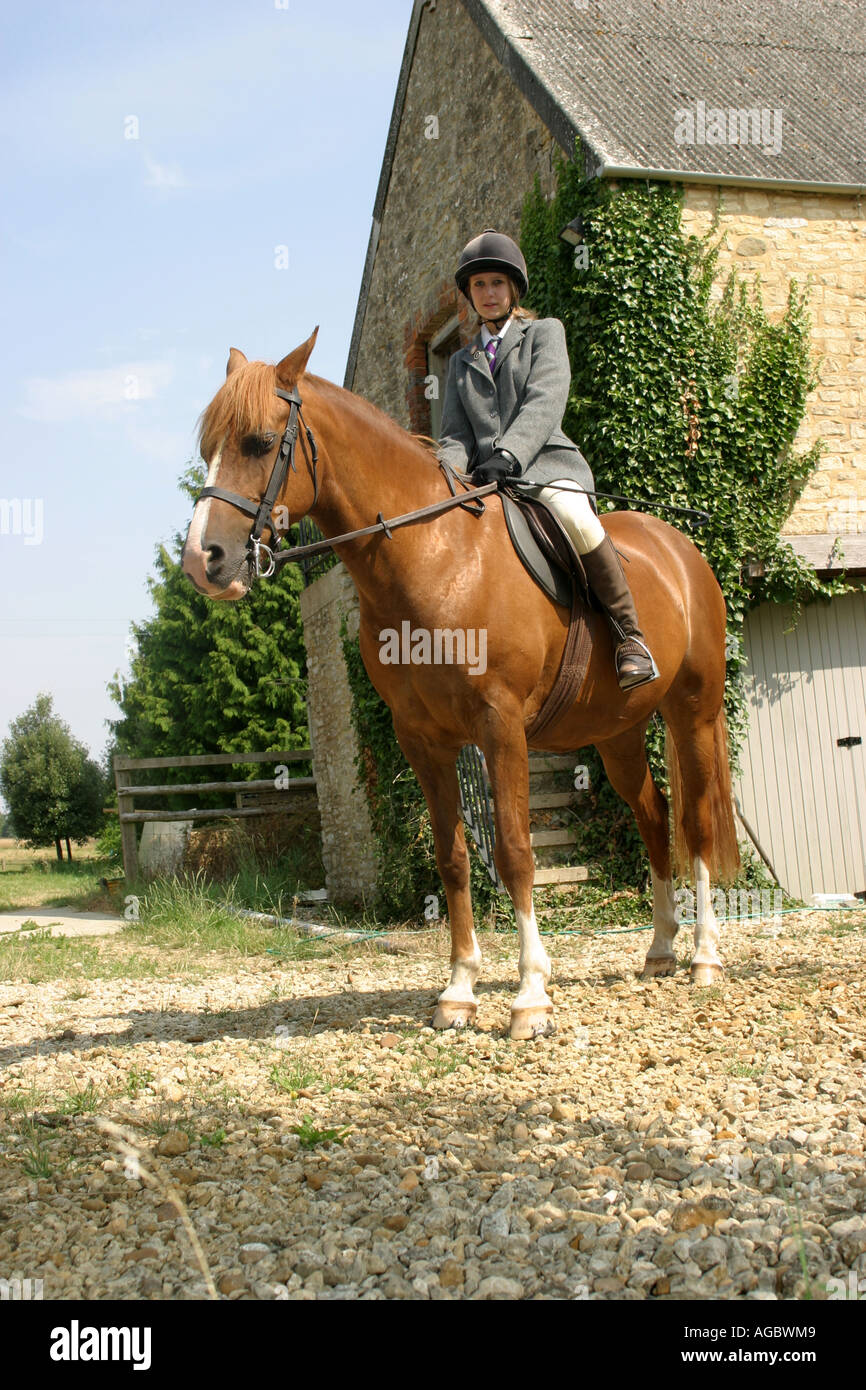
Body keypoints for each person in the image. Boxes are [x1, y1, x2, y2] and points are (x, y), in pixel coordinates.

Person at [436, 228, 658, 691]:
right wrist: (446, 478)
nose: (489, 293)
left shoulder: (544, 333)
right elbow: (455, 434)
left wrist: (508, 455)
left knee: (574, 516)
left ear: (513, 288)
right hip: (485, 482)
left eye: (497, 283)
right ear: (469, 295)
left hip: (544, 467)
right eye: (479, 285)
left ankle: (628, 637)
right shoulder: (460, 362)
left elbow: (545, 401)